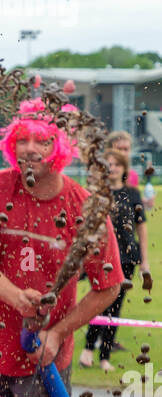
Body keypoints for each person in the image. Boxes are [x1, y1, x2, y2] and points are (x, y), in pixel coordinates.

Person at [0, 99, 123, 397]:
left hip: (47, 359)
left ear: (60, 147)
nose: (29, 148)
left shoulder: (85, 207)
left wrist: (58, 333)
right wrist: (18, 298)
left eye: (42, 141)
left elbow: (109, 286)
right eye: (21, 140)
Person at [80, 148, 150, 371]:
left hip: (127, 256)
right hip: (102, 256)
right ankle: (88, 349)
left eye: (117, 164)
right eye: (109, 164)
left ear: (124, 168)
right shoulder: (99, 194)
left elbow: (142, 227)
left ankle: (105, 356)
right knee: (98, 301)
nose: (113, 168)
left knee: (116, 306)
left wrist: (145, 262)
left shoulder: (133, 194)